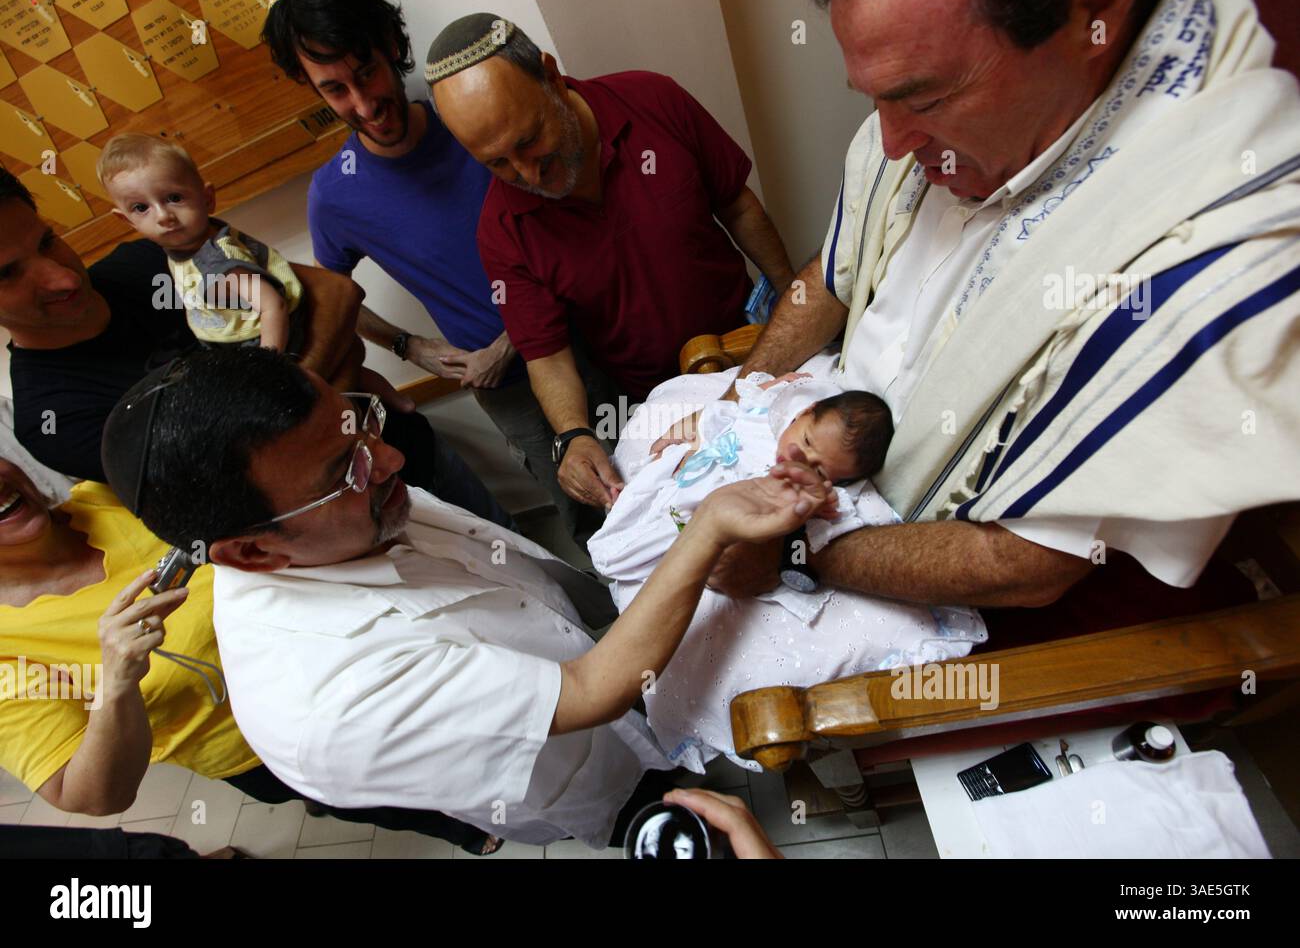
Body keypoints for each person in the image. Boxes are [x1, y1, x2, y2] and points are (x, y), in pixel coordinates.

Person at [658, 0, 1300, 613]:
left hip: (916, 556)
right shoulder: (922, 136)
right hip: (820, 432)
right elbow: (831, 276)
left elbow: (1025, 565)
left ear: (1095, 9)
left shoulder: (1208, 258)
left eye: (924, 98)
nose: (890, 143)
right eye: (877, 98)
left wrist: (798, 554)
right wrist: (741, 399)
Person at [99, 347, 833, 848]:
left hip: (591, 649)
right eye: (345, 469)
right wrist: (704, 529)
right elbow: (587, 690)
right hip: (590, 758)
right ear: (254, 551)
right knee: (671, 802)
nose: (388, 460)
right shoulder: (324, 700)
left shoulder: (332, 507)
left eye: (362, 425)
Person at [0, 455, 502, 854]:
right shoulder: (7, 650)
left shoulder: (104, 495)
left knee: (453, 741)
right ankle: (465, 829)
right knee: (387, 796)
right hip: (269, 749)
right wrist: (117, 685)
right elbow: (90, 796)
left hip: (358, 655)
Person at [262, 0, 601, 545]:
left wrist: (513, 336)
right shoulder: (334, 193)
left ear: (393, 47)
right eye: (334, 90)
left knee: (655, 464)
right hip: (510, 392)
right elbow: (336, 300)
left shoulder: (472, 120)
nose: (364, 105)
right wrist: (409, 348)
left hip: (590, 338)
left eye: (367, 74)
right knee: (586, 513)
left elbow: (570, 222)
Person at [0, 166, 513, 530]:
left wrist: (296, 400)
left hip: (411, 453)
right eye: (9, 273)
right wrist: (333, 372)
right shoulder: (55, 417)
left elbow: (336, 293)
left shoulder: (148, 260)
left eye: (46, 241)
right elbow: (245, 493)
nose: (61, 276)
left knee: (537, 577)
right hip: (352, 539)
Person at [426, 13, 796, 511]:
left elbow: (737, 205)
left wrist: (795, 298)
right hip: (657, 400)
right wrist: (574, 435)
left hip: (753, 344)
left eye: (529, 141)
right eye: (497, 163)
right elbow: (547, 356)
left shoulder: (652, 101)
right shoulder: (502, 231)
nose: (527, 172)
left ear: (551, 76)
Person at [589, 368, 985, 771]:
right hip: (705, 481)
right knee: (634, 535)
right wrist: (699, 427)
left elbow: (822, 511)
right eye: (806, 440)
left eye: (821, 466)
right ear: (803, 414)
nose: (799, 457)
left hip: (737, 520)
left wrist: (813, 500)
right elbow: (734, 410)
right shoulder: (769, 415)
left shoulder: (812, 486)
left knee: (712, 559)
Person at [98, 133, 304, 353]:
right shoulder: (184, 245)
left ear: (207, 199)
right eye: (141, 208)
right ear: (127, 220)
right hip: (227, 332)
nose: (163, 216)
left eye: (174, 198)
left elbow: (273, 306)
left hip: (263, 335)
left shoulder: (220, 260)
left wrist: (268, 364)